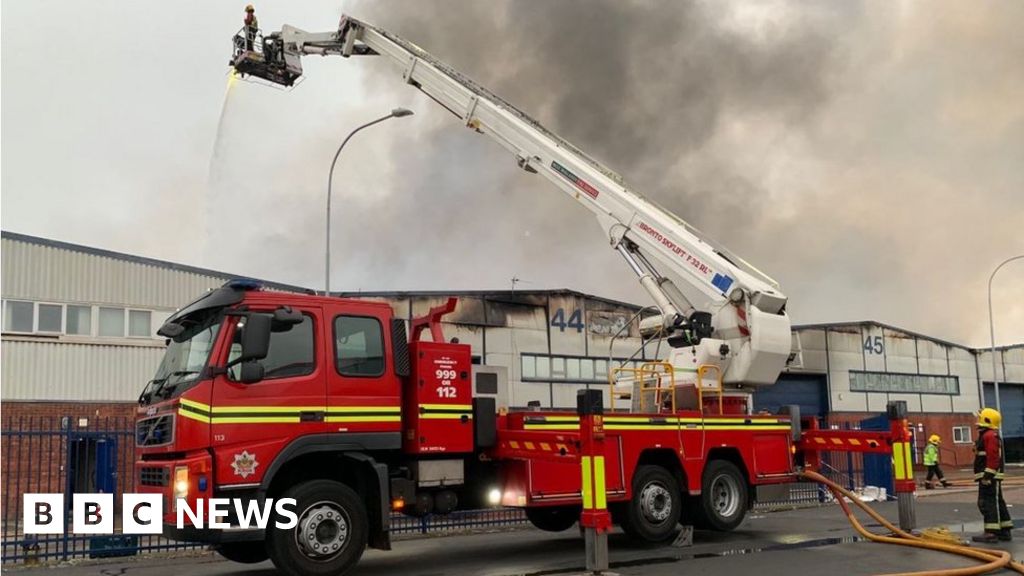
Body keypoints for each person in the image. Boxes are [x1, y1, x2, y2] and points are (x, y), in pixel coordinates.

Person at [972, 408, 1013, 543]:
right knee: (996, 501)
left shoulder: (989, 435)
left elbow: (993, 457)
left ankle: (991, 532)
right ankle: (1004, 530)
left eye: (980, 417)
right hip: (989, 476)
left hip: (989, 477)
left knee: (988, 503)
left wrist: (987, 476)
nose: (977, 420)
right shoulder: (987, 435)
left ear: (986, 420)